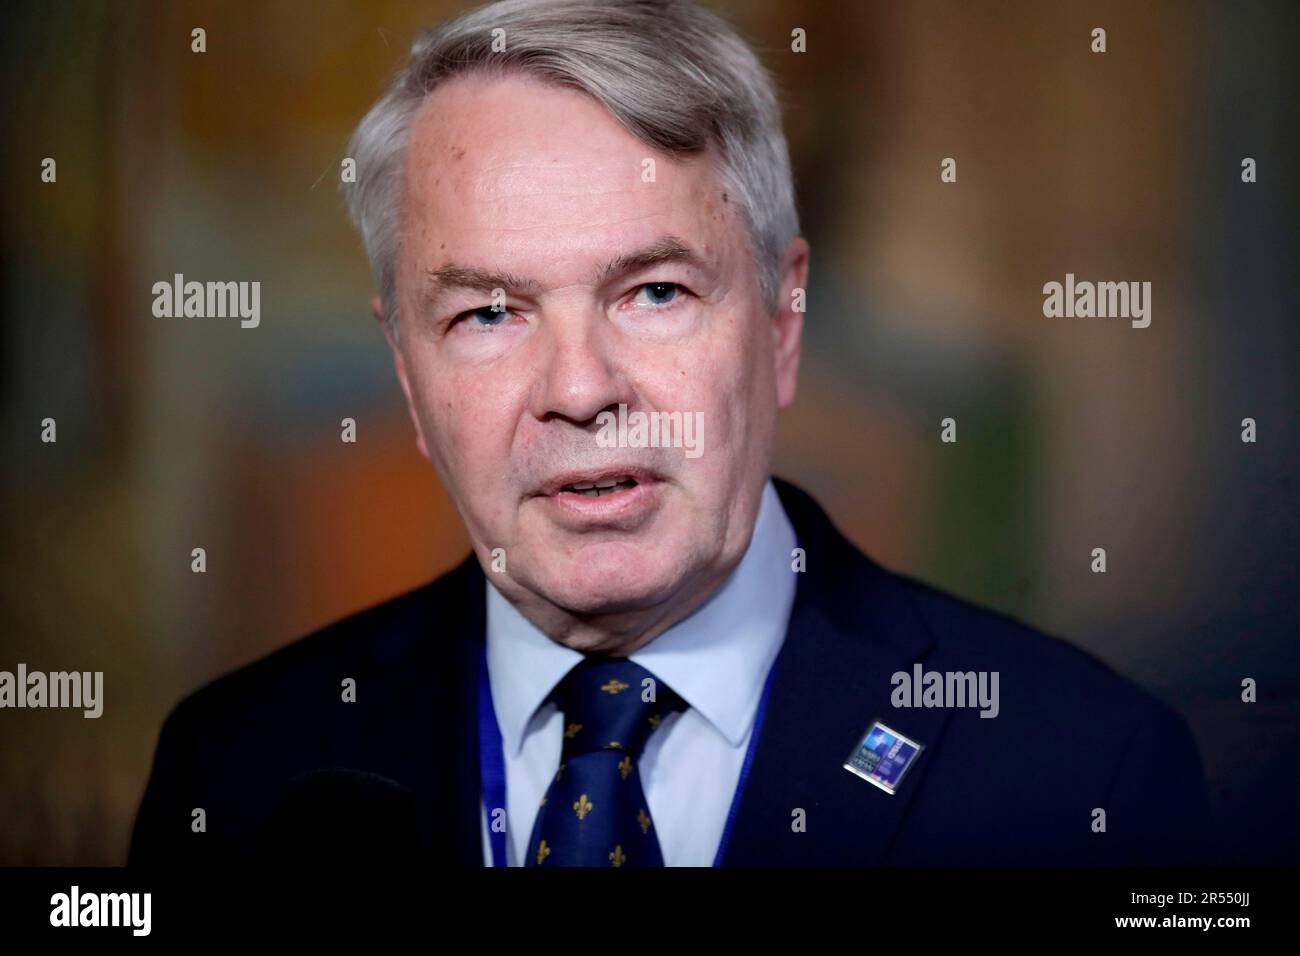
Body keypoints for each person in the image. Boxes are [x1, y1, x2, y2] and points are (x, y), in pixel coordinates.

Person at [130, 0, 1214, 867]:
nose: (580, 388)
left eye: (652, 291)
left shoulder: (1082, 772)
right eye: (489, 313)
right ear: (409, 375)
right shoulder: (236, 768)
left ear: (782, 321)